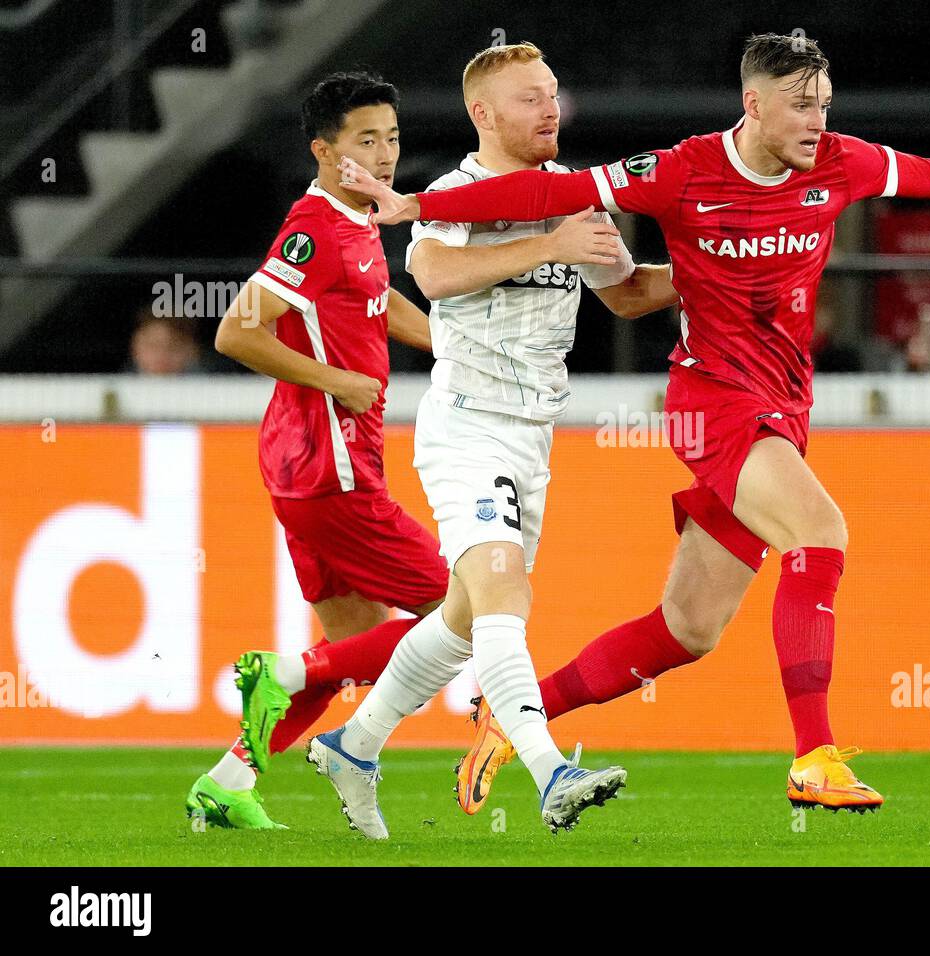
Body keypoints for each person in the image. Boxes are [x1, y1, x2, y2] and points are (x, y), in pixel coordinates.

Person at [341, 32, 930, 815]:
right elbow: (542, 197)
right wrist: (417, 205)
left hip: (784, 405)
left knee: (689, 628)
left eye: (825, 106)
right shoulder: (679, 170)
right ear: (754, 103)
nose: (817, 122)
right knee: (820, 532)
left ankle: (515, 714)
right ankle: (814, 758)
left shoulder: (842, 162)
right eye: (802, 106)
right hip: (712, 402)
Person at [304, 42, 679, 837]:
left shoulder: (578, 201)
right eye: (530, 99)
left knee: (465, 618)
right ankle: (551, 772)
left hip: (533, 438)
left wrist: (724, 270)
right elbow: (433, 276)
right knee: (507, 593)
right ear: (484, 113)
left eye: (552, 94)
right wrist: (547, 246)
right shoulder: (453, 194)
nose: (550, 110)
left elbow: (632, 295)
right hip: (467, 425)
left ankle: (354, 742)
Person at [185, 71, 450, 830]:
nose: (387, 153)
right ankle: (281, 670)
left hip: (310, 468)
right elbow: (236, 330)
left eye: (392, 138)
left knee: (355, 647)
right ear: (324, 151)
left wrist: (446, 342)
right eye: (367, 140)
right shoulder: (313, 230)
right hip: (329, 467)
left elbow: (372, 299)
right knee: (459, 611)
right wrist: (338, 377)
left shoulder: (359, 218)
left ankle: (228, 779)